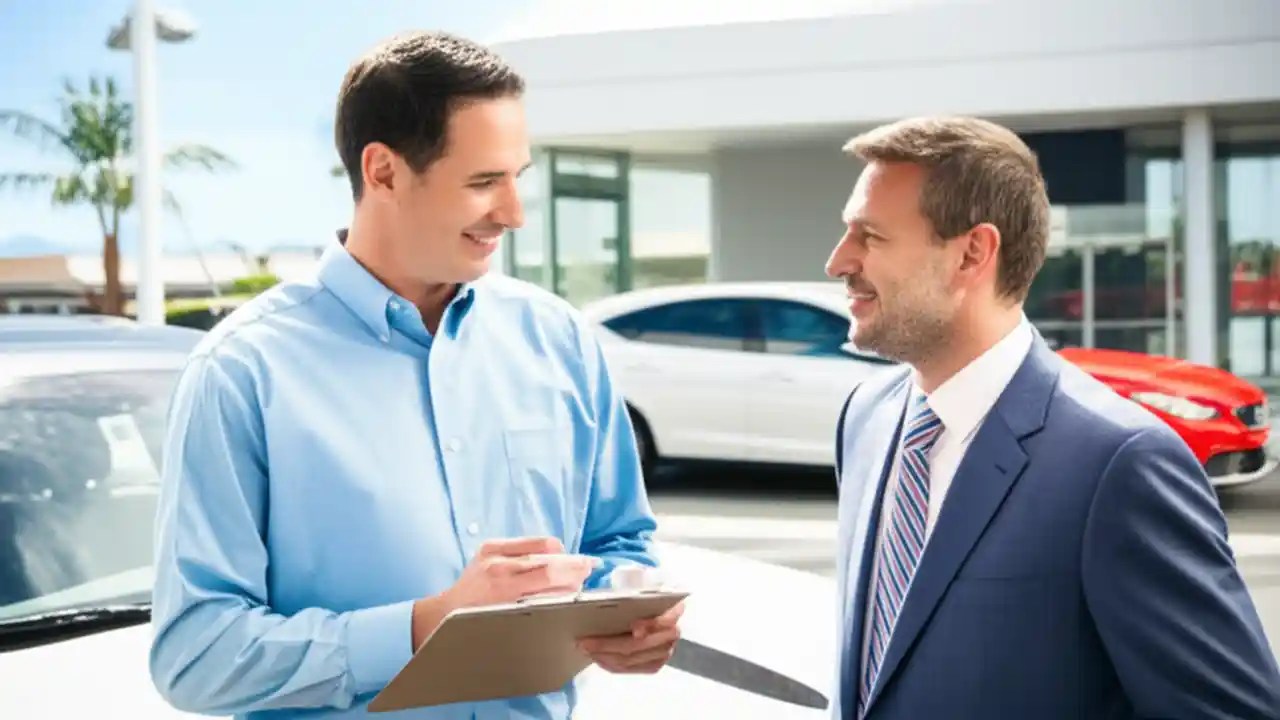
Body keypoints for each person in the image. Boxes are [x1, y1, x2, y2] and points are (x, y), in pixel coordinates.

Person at [148, 30, 682, 720]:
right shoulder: (241, 372)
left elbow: (618, 542)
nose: (514, 214)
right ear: (384, 172)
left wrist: (632, 608)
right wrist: (427, 626)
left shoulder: (560, 340)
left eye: (518, 177)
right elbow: (196, 655)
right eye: (484, 182)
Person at [827, 115, 1280, 719]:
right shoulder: (866, 417)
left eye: (871, 237)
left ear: (972, 254)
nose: (838, 261)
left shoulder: (1121, 464)